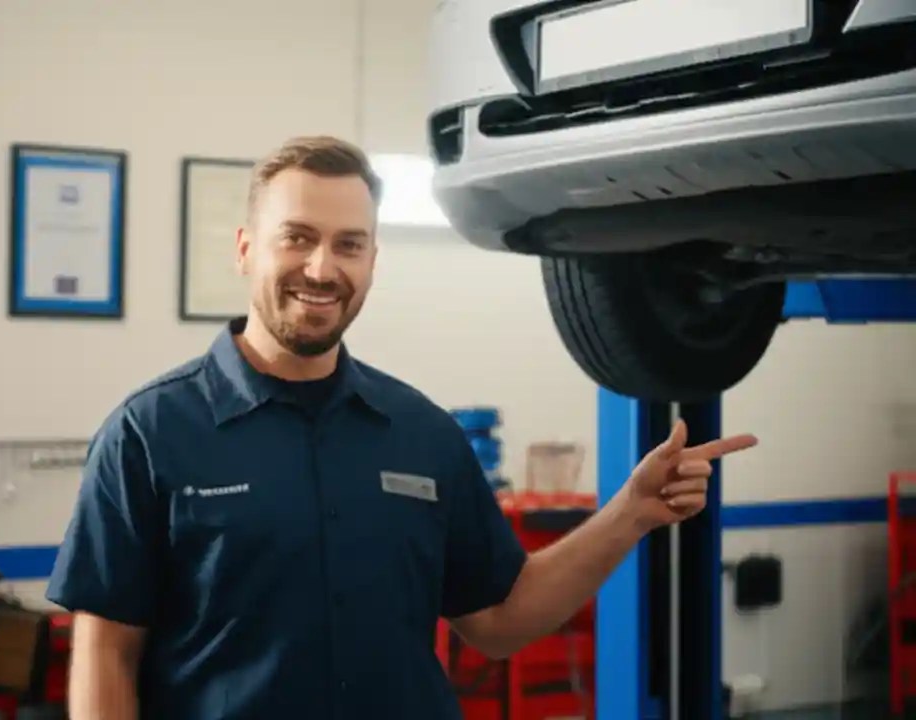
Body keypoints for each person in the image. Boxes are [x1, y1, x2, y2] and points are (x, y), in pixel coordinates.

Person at [45, 135, 759, 719]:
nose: (322, 268)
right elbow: (107, 652)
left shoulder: (420, 433)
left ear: (373, 261)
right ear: (244, 250)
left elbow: (500, 618)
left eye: (349, 245)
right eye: (296, 238)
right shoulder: (150, 433)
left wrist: (628, 516)